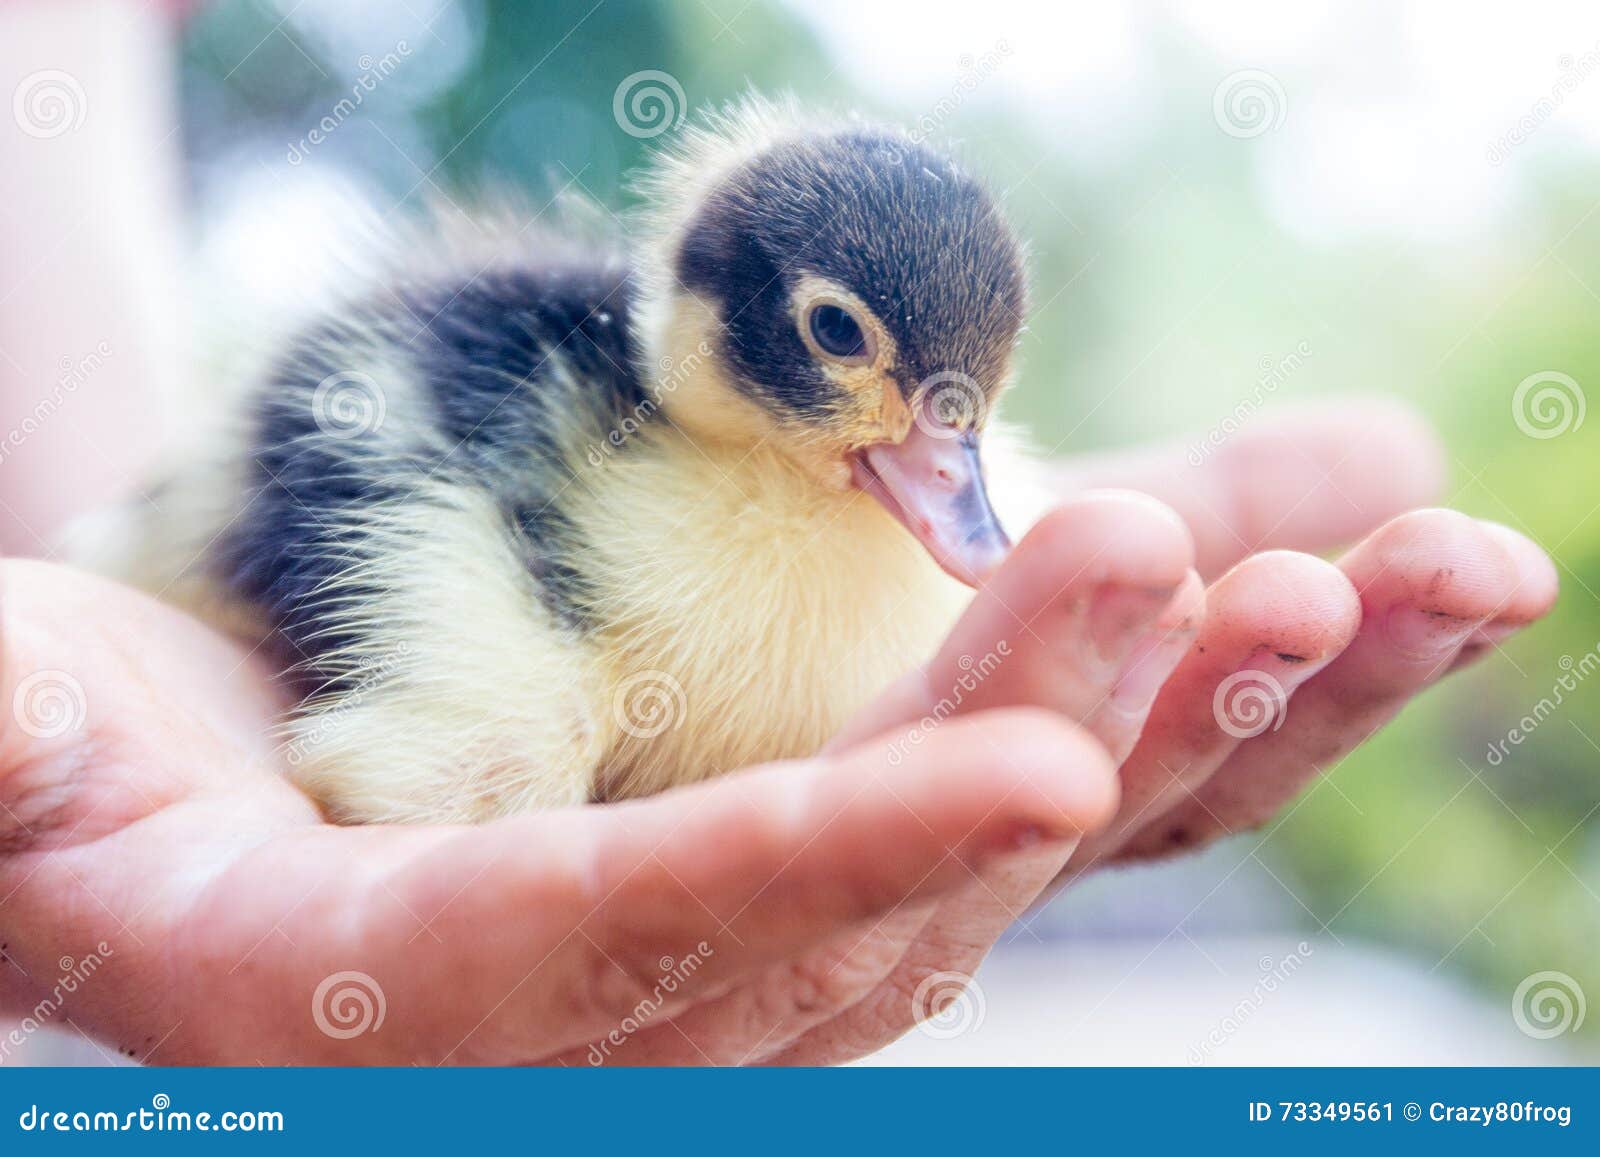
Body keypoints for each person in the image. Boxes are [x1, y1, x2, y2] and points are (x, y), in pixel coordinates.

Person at [0, 1, 1558, 1065]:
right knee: (483, 748)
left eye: (959, 409)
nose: (947, 474)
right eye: (838, 346)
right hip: (257, 512)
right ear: (706, 304)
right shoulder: (582, 490)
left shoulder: (922, 493)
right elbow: (387, 464)